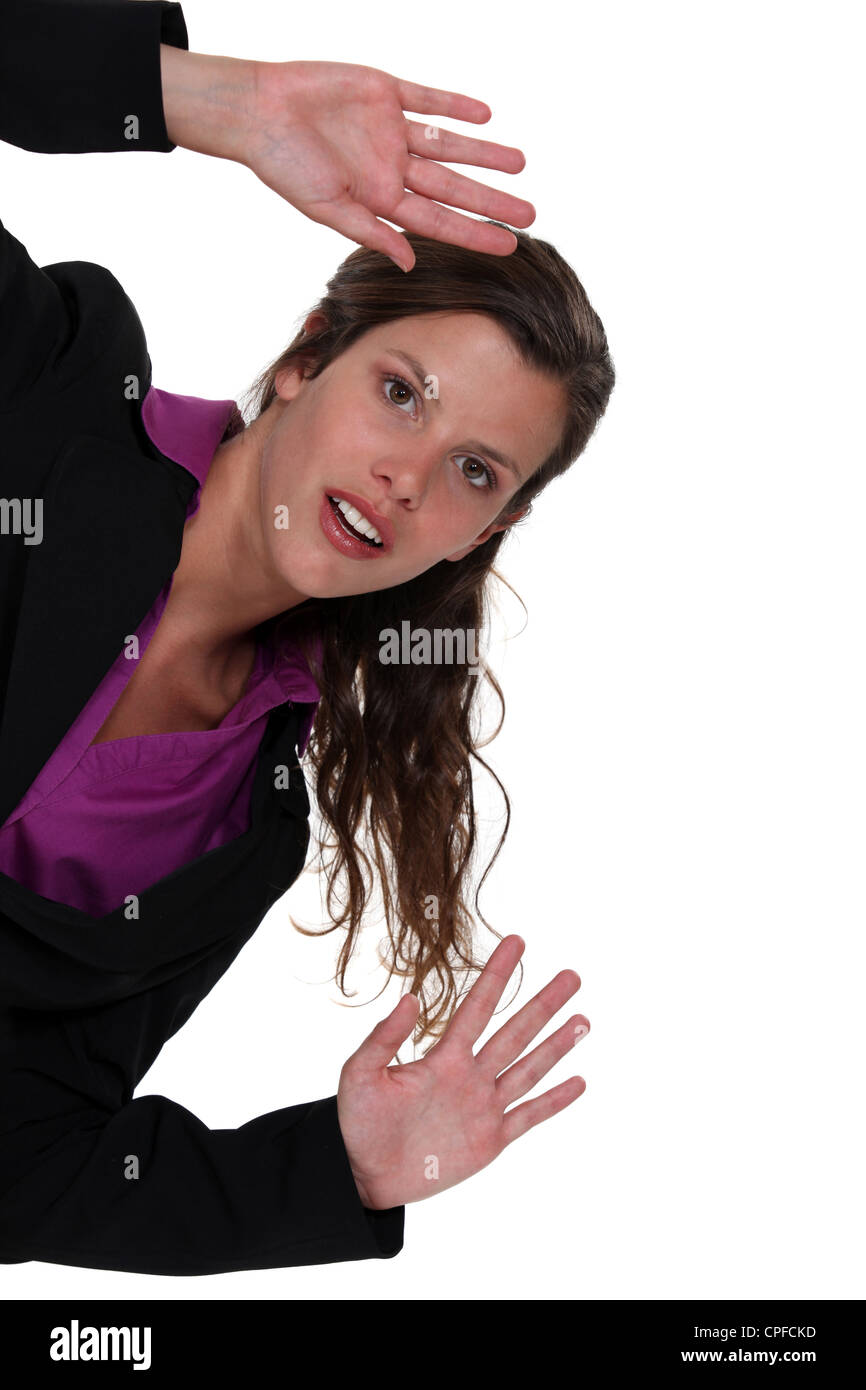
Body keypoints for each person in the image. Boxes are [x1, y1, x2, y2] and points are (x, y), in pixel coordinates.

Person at [0, 0, 614, 1275]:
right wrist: (193, 99)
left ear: (473, 539)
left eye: (473, 472)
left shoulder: (242, 821)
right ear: (304, 359)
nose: (405, 479)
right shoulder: (45, 381)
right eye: (401, 393)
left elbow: (32, 1159)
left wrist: (333, 1173)